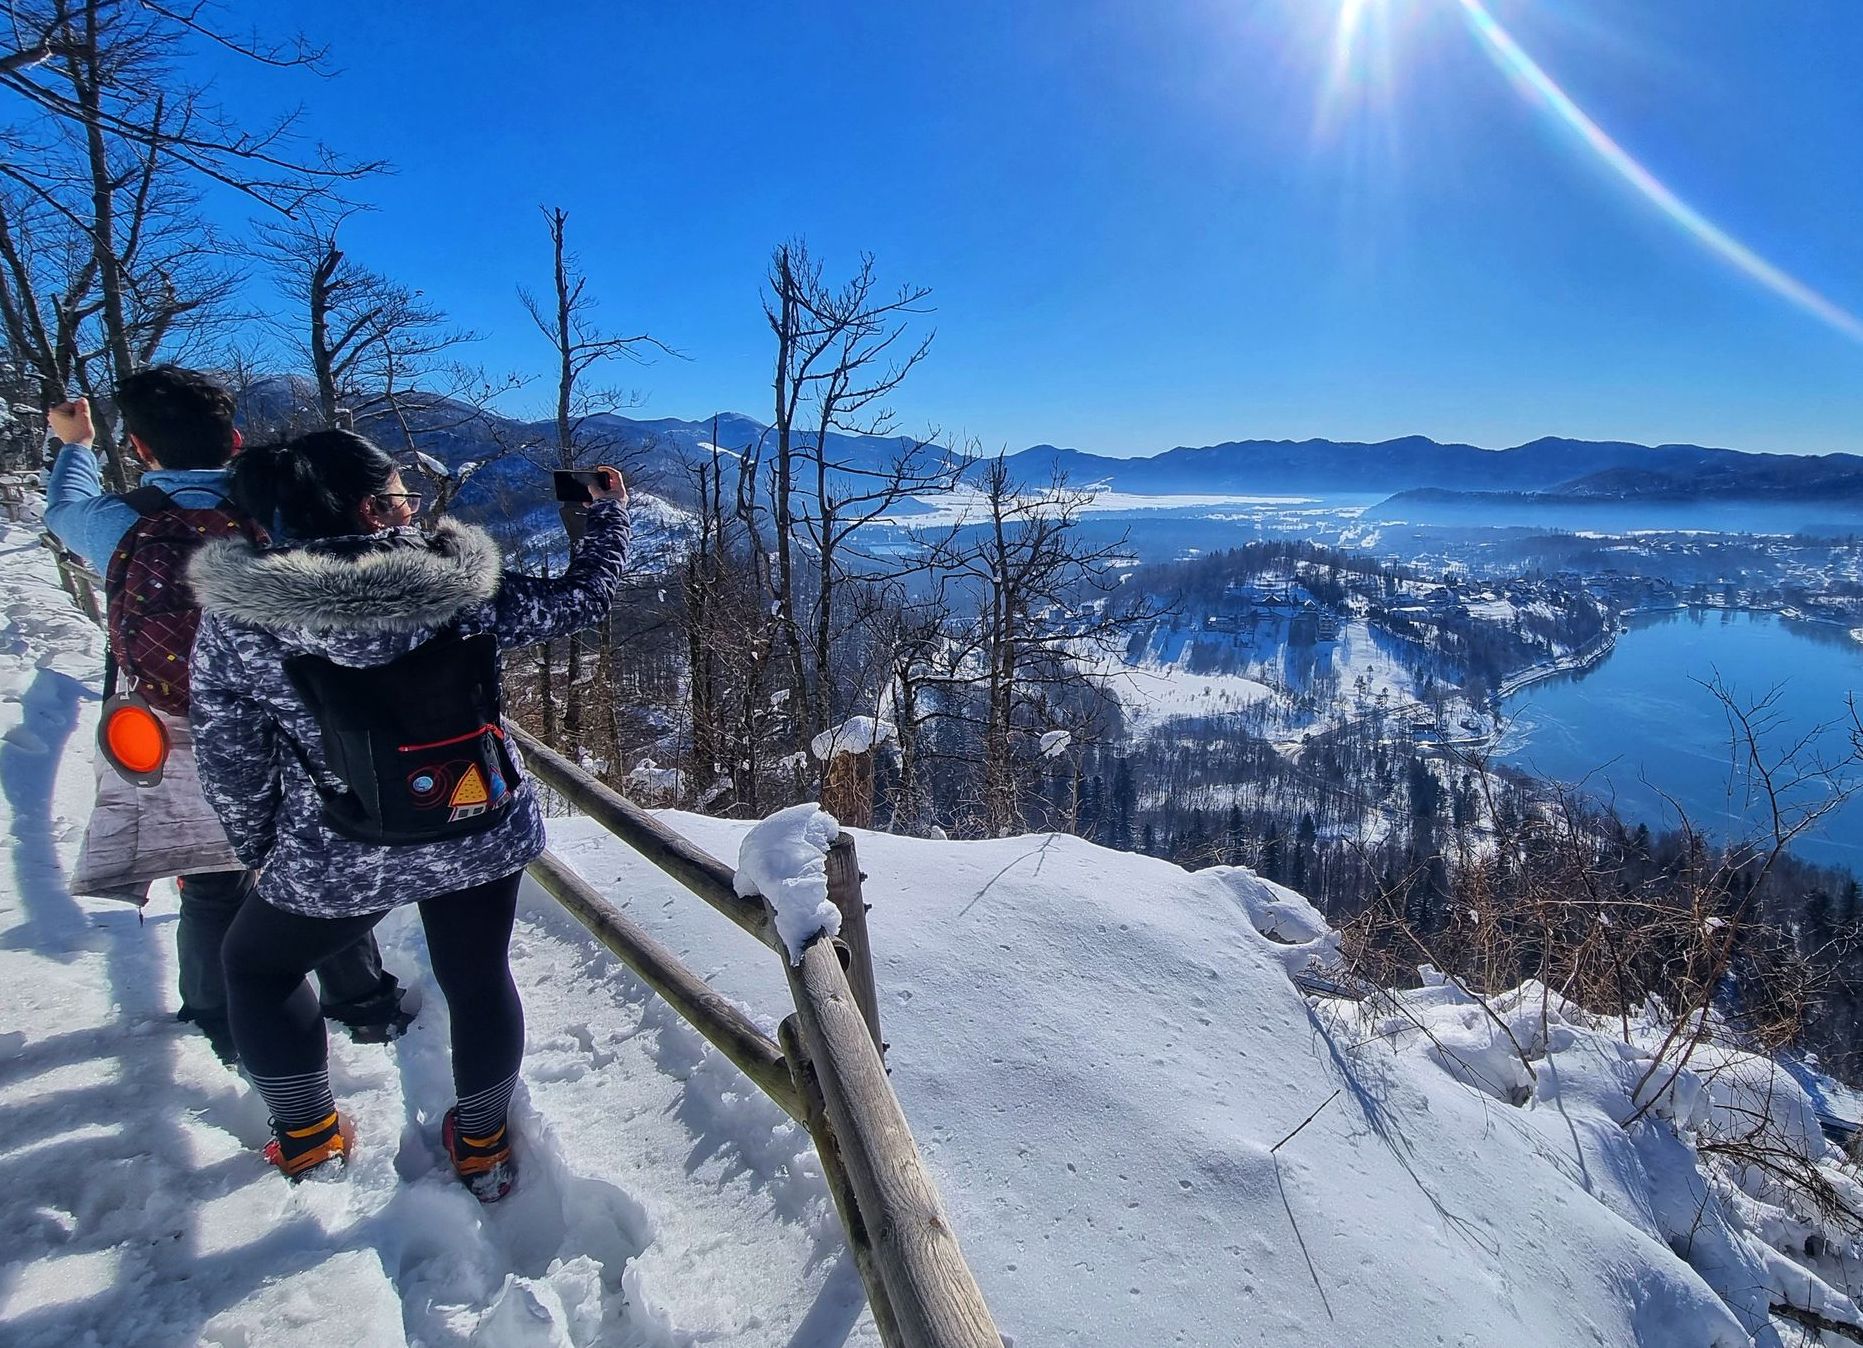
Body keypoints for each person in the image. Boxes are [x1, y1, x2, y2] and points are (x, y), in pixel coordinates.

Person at [186, 429, 629, 1197]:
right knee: (478, 976)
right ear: (370, 510)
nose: (412, 509)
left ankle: (310, 1137)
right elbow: (583, 599)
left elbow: (230, 751)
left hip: (339, 845)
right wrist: (607, 520)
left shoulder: (241, 620)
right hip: (478, 827)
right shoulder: (464, 588)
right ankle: (482, 1141)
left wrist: (261, 844)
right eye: (400, 497)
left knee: (257, 967)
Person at [42, 368, 412, 1061]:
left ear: (142, 450)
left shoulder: (120, 525)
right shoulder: (275, 514)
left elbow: (61, 509)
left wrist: (77, 445)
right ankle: (361, 1002)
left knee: (211, 888)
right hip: (290, 723)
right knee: (316, 866)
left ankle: (217, 1018)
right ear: (236, 438)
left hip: (179, 732)